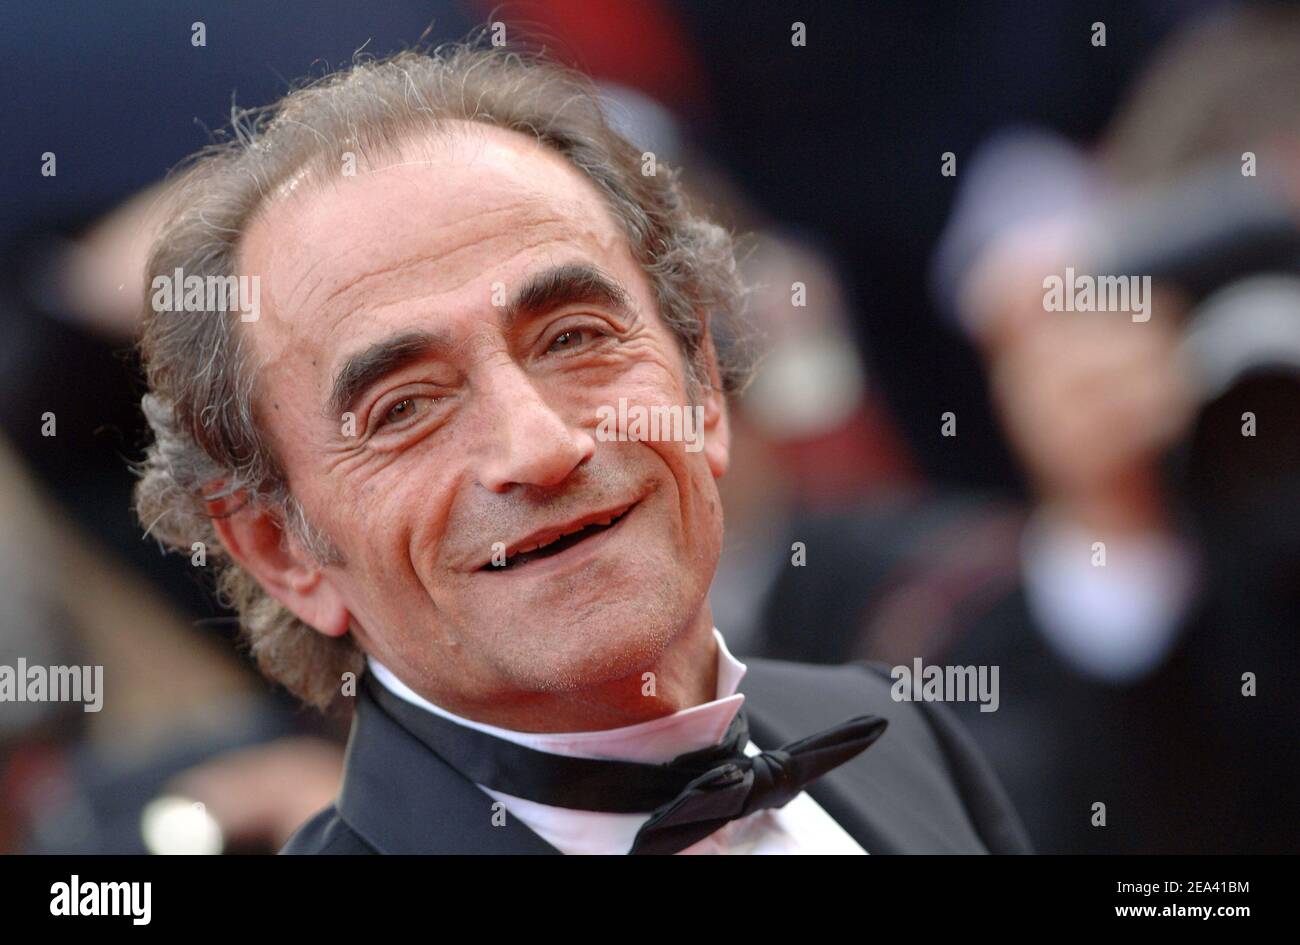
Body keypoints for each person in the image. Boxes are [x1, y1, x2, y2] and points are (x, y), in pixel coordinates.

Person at [132, 41, 1030, 855]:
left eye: (573, 337)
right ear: (281, 549)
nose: (541, 445)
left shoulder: (895, 732)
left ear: (704, 386)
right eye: (404, 407)